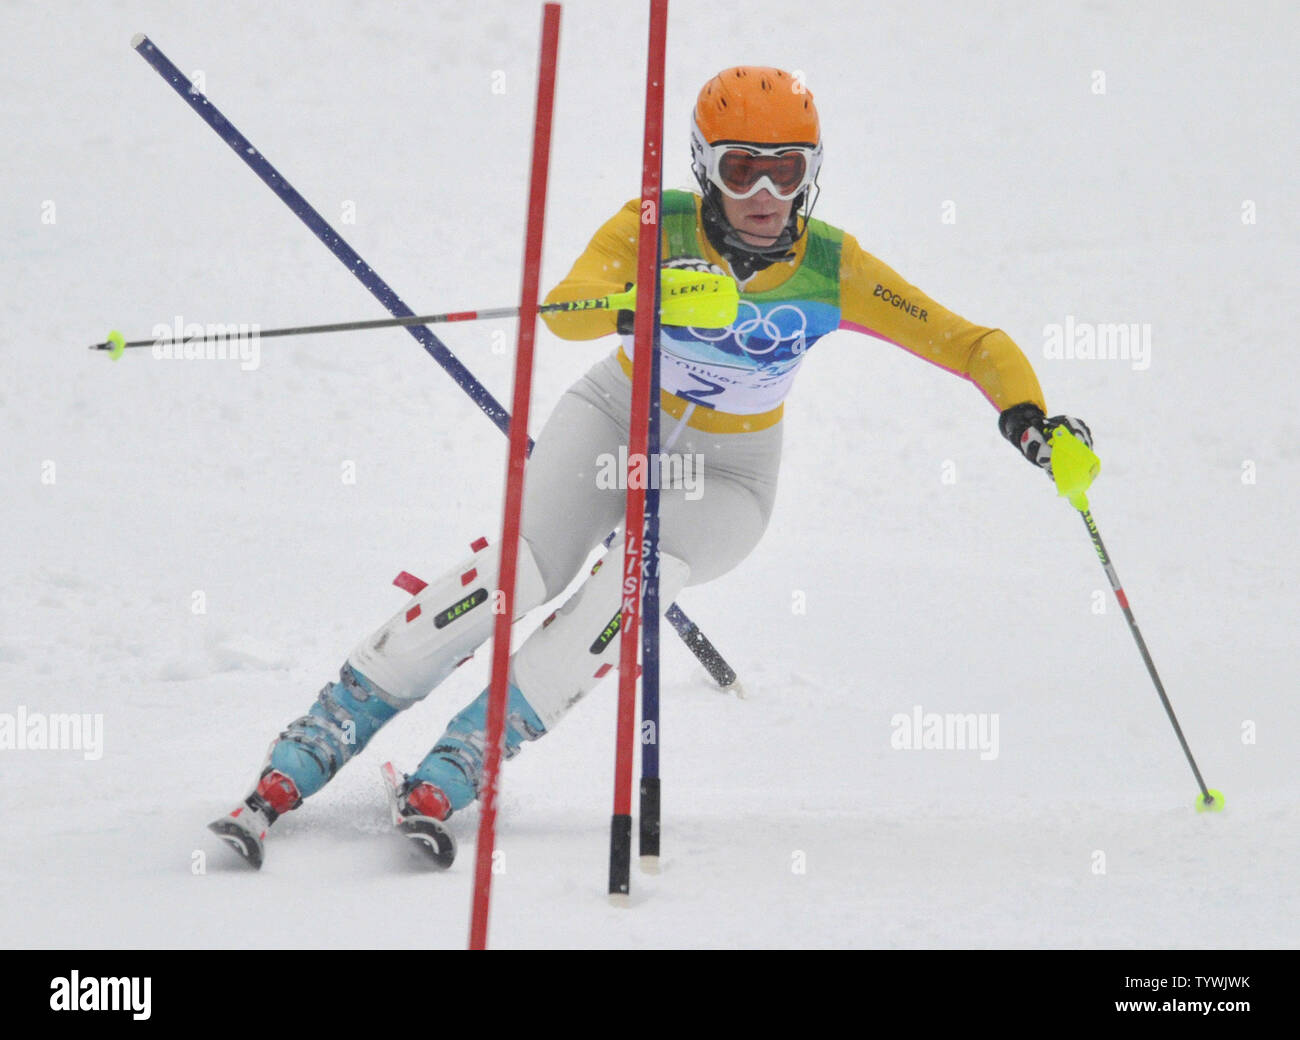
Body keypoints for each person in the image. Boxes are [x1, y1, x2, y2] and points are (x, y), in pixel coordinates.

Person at [210, 66, 1090, 868]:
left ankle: (466, 758)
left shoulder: (833, 268)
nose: (766, 193)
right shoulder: (654, 224)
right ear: (707, 165)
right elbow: (563, 312)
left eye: (788, 170)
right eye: (743, 168)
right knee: (513, 572)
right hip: (615, 418)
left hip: (731, 473)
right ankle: (318, 737)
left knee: (623, 588)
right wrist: (644, 296)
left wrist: (1030, 417)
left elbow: (974, 342)